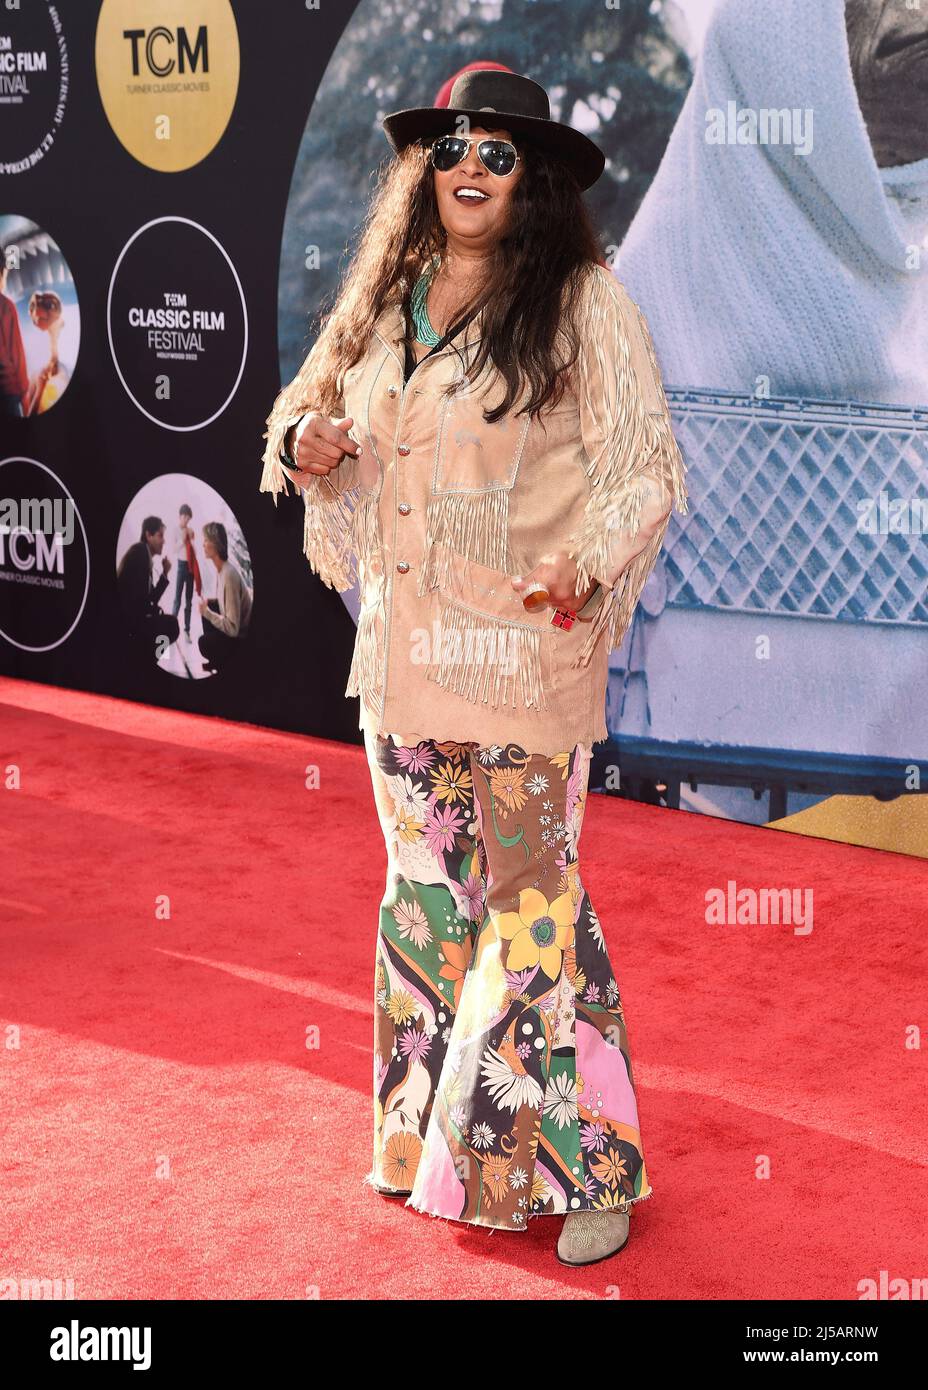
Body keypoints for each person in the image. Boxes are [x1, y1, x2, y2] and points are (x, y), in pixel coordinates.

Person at [259, 68, 687, 1266]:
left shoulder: (585, 302)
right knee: (427, 903)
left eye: (498, 153)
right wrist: (309, 440)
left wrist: (585, 568)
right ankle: (418, 1136)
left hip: (522, 659)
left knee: (534, 911)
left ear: (535, 177)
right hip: (404, 662)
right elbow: (300, 412)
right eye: (451, 147)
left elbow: (646, 468)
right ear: (422, 171)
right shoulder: (386, 295)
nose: (470, 169)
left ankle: (593, 1164)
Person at [116, 516, 179, 659]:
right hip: (129, 623)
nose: (163, 541)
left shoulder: (144, 555)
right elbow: (141, 601)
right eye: (160, 535)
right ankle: (148, 660)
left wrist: (164, 573)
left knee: (168, 623)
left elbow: (150, 599)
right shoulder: (139, 554)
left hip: (134, 619)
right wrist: (153, 611)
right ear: (148, 535)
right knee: (171, 625)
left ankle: (149, 659)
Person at [198, 521, 252, 674]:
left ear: (216, 545)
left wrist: (208, 612)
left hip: (239, 638)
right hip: (235, 629)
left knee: (203, 642)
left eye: (206, 540)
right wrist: (211, 605)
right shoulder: (221, 570)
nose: (203, 544)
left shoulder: (228, 575)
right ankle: (216, 660)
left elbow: (234, 629)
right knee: (207, 609)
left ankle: (223, 661)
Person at [171, 504, 196, 640]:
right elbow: (173, 549)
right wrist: (183, 538)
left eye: (188, 518)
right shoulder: (175, 530)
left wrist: (191, 538)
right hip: (181, 566)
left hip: (190, 566)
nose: (187, 520)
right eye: (185, 517)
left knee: (189, 600)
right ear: (180, 516)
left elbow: (193, 550)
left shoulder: (190, 529)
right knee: (177, 600)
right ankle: (169, 629)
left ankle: (187, 631)